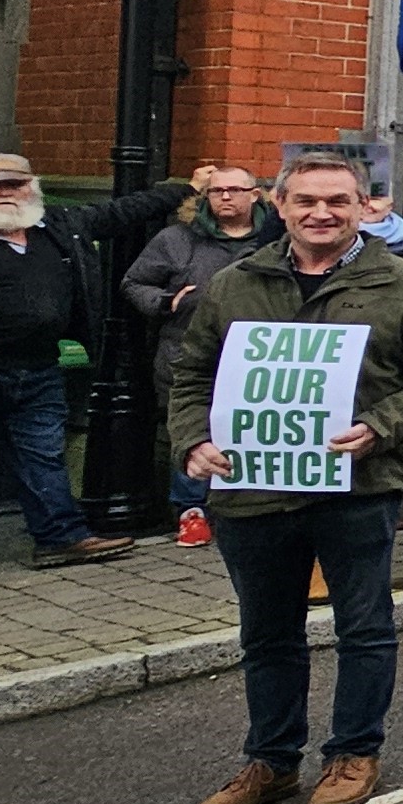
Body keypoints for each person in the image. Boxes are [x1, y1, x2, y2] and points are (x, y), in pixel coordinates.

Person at [169, 153, 403, 804]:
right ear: (279, 205)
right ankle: (271, 762)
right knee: (267, 633)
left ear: (365, 207)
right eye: (305, 200)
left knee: (363, 625)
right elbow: (190, 376)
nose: (321, 213)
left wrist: (379, 426)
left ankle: (354, 753)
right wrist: (192, 441)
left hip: (358, 486)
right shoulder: (234, 283)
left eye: (337, 200)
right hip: (251, 490)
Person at [0, 153, 190, 578]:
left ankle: (59, 538)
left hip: (38, 369)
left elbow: (119, 213)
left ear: (32, 186)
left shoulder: (58, 226)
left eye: (14, 185)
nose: (5, 193)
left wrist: (183, 190)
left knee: (44, 457)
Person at [121, 163, 281, 547]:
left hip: (258, 355)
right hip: (187, 350)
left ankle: (248, 506)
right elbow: (133, 281)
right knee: (194, 429)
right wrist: (164, 302)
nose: (225, 197)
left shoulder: (278, 239)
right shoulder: (176, 239)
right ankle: (191, 510)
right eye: (216, 190)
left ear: (255, 195)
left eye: (234, 190)